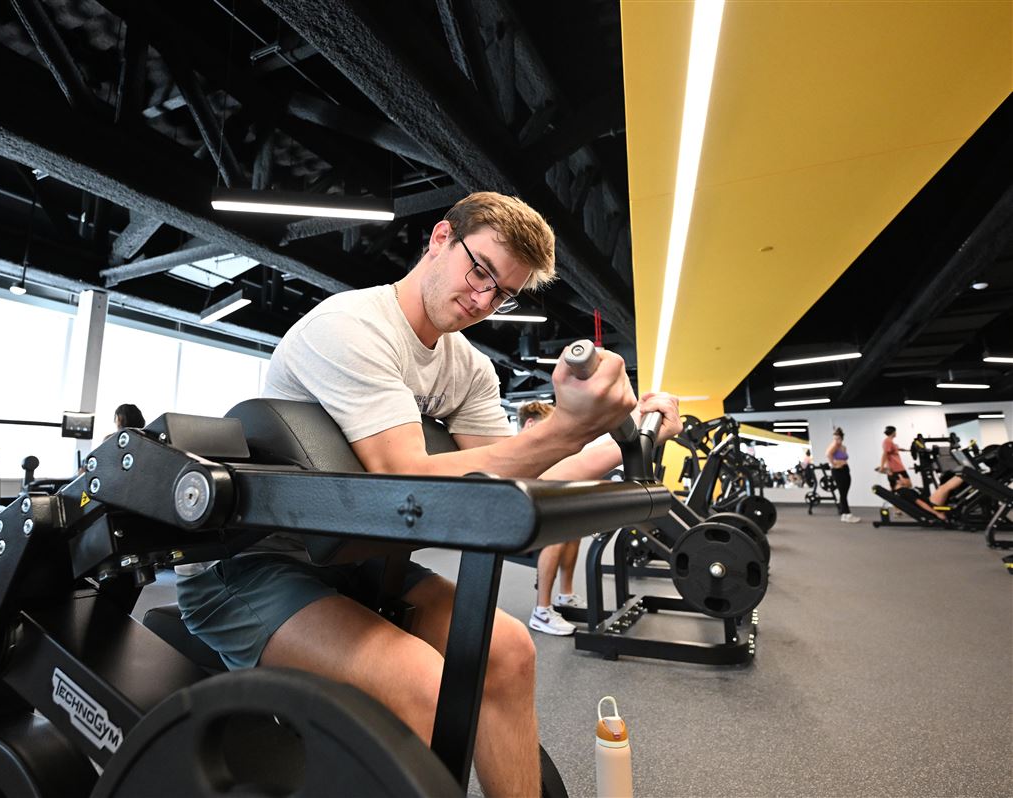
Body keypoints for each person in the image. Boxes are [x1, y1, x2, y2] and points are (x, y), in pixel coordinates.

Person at [176, 191, 682, 797]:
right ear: (441, 238)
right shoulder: (351, 327)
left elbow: (524, 479)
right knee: (425, 689)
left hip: (358, 562)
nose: (483, 300)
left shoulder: (468, 368)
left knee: (510, 650)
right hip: (251, 568)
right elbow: (404, 480)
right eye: (481, 271)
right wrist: (564, 429)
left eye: (503, 293)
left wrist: (618, 435)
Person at [516, 401, 584, 636]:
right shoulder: (513, 452)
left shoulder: (541, 455)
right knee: (556, 533)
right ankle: (541, 612)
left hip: (532, 512)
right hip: (509, 519)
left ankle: (565, 596)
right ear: (530, 424)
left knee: (574, 528)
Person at [825, 427, 859, 523]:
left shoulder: (843, 447)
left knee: (844, 492)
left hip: (845, 470)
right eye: (835, 439)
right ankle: (848, 514)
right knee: (843, 493)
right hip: (838, 471)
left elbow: (844, 458)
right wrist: (833, 463)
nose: (837, 440)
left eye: (838, 438)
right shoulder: (834, 445)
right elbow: (828, 454)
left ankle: (844, 514)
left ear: (842, 438)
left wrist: (841, 463)